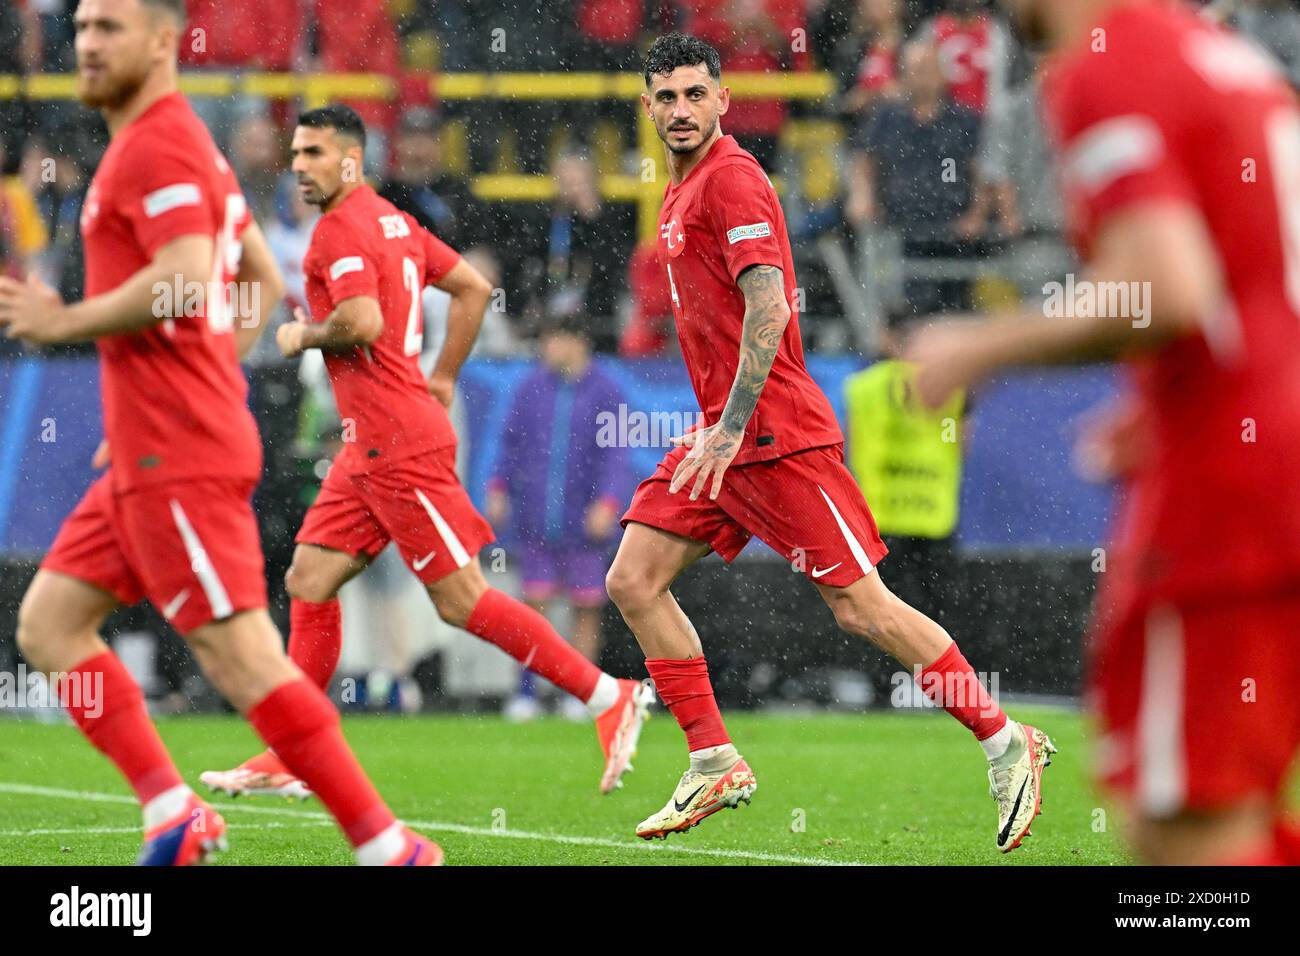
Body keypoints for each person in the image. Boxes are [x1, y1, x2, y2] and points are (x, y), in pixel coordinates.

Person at [0, 0, 438, 866]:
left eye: (109, 28)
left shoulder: (160, 146)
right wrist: (189, 379)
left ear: (165, 40)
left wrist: (66, 323)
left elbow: (186, 280)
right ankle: (174, 814)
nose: (87, 43)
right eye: (81, 26)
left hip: (182, 453)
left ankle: (391, 849)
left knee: (241, 659)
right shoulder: (185, 146)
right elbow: (261, 282)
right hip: (153, 443)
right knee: (49, 626)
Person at [609, 32, 1053, 851]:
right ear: (646, 105)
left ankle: (1005, 740)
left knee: (862, 609)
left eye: (693, 94)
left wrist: (735, 425)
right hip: (722, 440)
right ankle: (713, 758)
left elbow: (771, 309)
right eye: (664, 97)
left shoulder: (733, 179)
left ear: (722, 100)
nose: (679, 110)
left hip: (773, 437)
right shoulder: (678, 193)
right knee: (634, 578)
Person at [906, 0, 1300, 866]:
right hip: (1270, 456)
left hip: (1238, 496)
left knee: (1192, 830)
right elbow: (1253, 282)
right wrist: (1170, 401)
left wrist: (982, 344)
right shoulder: (1213, 52)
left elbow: (1164, 286)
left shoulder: (1105, 57)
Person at [200, 104, 653, 801]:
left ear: (350, 160)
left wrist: (304, 337)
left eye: (315, 153)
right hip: (370, 444)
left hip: (397, 446)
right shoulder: (393, 221)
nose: (299, 166)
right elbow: (472, 287)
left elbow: (362, 320)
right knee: (309, 580)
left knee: (461, 600)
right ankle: (294, 751)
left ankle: (607, 696)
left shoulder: (338, 233)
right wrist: (440, 375)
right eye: (296, 153)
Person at [487, 313, 635, 720]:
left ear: (578, 342)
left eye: (555, 339)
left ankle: (581, 690)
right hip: (535, 517)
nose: (547, 348)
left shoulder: (607, 391)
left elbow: (616, 456)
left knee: (586, 606)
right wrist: (497, 487)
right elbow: (508, 444)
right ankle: (527, 692)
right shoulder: (528, 388)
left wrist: (608, 501)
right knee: (534, 604)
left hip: (584, 522)